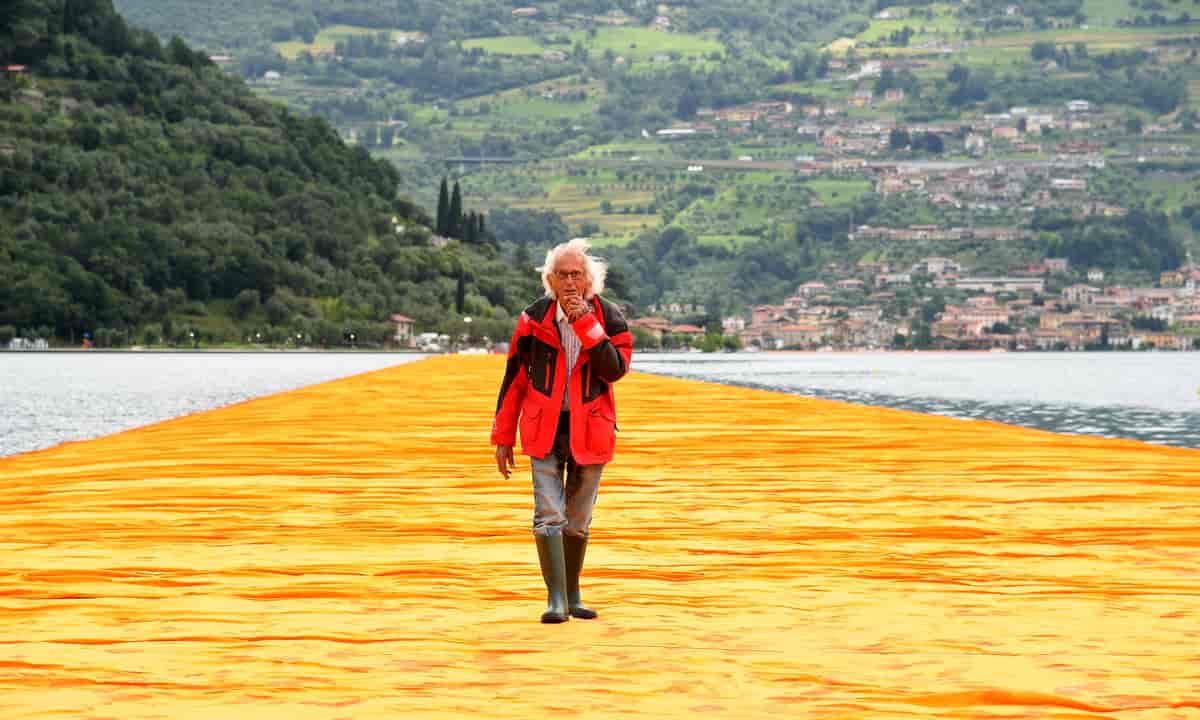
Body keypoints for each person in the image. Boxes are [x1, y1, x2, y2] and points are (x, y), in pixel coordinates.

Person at [491, 238, 633, 623]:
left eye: (577, 274)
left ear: (590, 279)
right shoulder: (532, 319)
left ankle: (572, 594)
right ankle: (555, 599)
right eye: (562, 275)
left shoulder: (611, 317)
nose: (570, 282)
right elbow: (514, 379)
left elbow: (615, 369)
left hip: (592, 429)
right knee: (548, 512)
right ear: (550, 280)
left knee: (578, 517)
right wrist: (503, 436)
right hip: (544, 427)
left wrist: (585, 323)